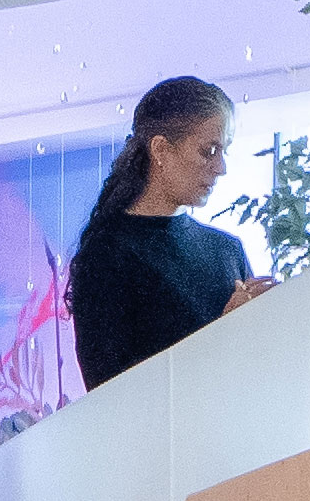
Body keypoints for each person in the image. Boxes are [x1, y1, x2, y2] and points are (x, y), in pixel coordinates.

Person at [65, 74, 258, 385]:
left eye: (225, 151)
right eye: (209, 151)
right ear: (161, 150)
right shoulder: (105, 256)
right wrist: (224, 332)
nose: (221, 167)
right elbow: (109, 389)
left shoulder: (227, 250)